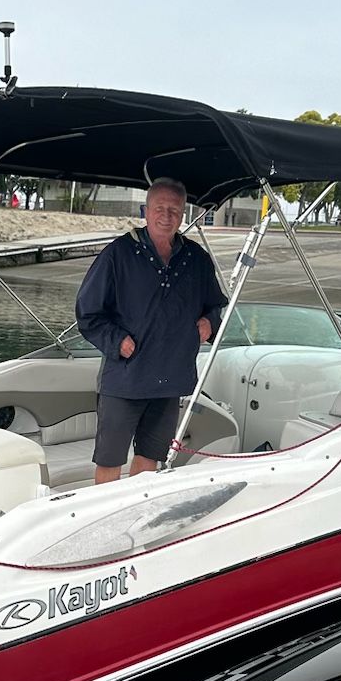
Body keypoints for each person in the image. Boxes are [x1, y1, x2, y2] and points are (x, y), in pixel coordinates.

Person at [75, 178, 227, 484]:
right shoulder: (118, 254)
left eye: (175, 210)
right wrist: (117, 341)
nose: (167, 216)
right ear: (146, 210)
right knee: (109, 459)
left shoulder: (196, 260)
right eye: (160, 208)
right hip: (125, 380)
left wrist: (210, 322)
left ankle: (133, 515)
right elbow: (88, 314)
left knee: (150, 457)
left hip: (170, 381)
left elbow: (215, 306)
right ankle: (104, 519)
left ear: (183, 214)